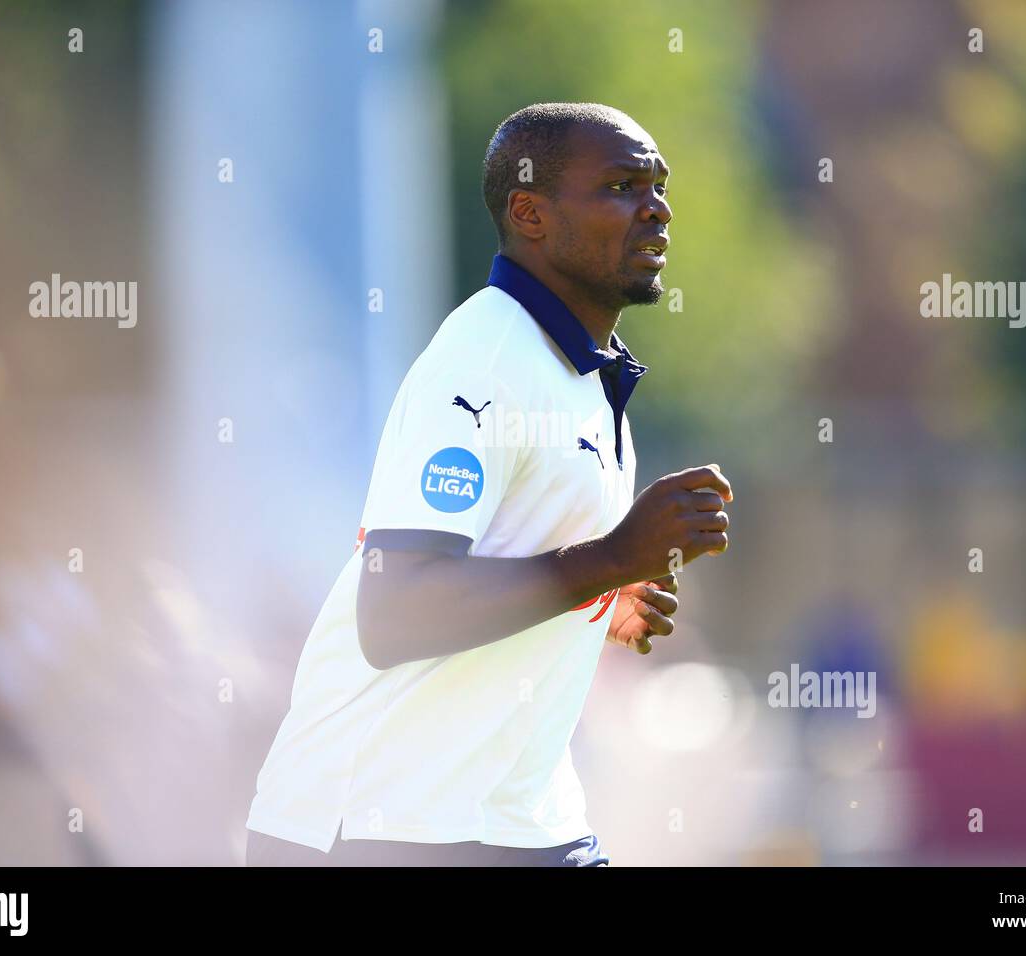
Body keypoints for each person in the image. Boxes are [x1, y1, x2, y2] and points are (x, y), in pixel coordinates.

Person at [246, 103, 732, 867]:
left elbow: (515, 560)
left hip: (516, 822)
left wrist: (610, 593)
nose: (658, 209)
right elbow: (396, 611)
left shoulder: (585, 376)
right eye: (621, 185)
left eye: (658, 186)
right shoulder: (481, 361)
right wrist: (609, 559)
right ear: (530, 213)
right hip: (374, 828)